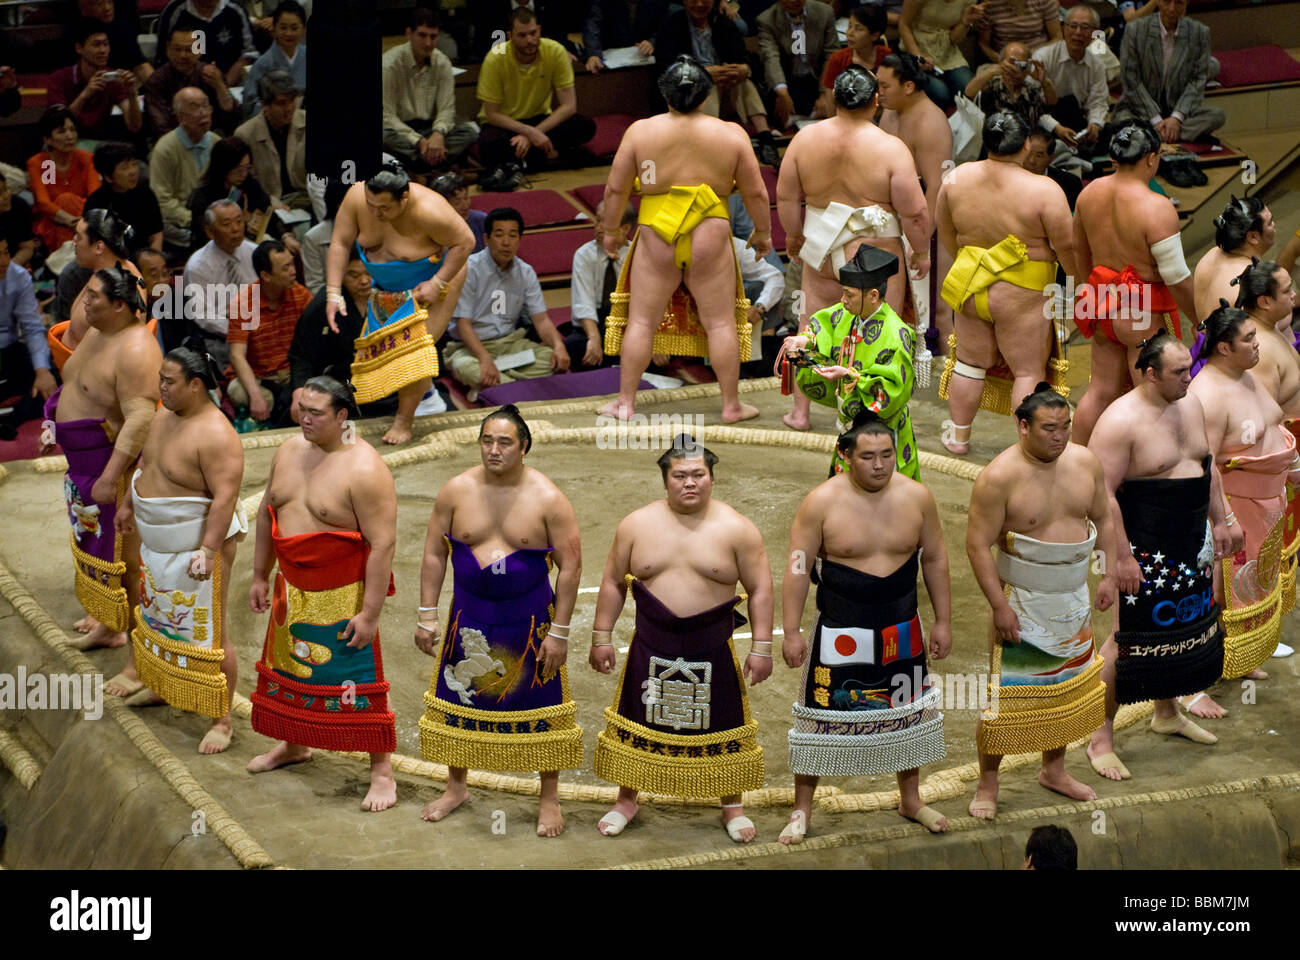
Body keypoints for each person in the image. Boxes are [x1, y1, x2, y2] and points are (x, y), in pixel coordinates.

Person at [780, 412, 952, 843]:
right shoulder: (820, 502)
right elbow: (799, 568)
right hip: (841, 624)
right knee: (819, 716)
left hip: (901, 623)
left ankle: (910, 799)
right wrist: (791, 631)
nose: (879, 465)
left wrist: (944, 620)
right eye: (869, 456)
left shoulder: (917, 497)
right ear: (844, 455)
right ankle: (802, 809)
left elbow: (933, 558)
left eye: (887, 455)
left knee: (906, 712)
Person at [590, 437, 773, 841]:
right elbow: (613, 581)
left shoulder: (737, 528)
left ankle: (731, 805)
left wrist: (762, 647)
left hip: (712, 643)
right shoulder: (636, 525)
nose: (690, 483)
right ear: (665, 480)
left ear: (711, 477)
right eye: (680, 476)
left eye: (698, 475)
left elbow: (760, 588)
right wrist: (602, 635)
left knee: (724, 720)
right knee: (638, 719)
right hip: (652, 641)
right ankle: (626, 799)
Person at [414, 406, 584, 837]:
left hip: (530, 623)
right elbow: (435, 553)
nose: (494, 449)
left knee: (543, 709)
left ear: (524, 446)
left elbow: (571, 567)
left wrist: (560, 632)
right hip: (468, 617)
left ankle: (548, 796)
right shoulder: (456, 490)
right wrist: (427, 614)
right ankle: (456, 787)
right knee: (459, 701)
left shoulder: (548, 498)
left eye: (504, 442)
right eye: (487, 440)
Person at [247, 374, 399, 812]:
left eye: (316, 413)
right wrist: (260, 574)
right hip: (289, 587)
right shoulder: (288, 450)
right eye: (302, 409)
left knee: (357, 682)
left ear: (342, 416)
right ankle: (294, 744)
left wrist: (370, 613)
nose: (304, 419)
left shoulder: (366, 469)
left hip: (342, 592)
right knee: (292, 669)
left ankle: (381, 771)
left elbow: (382, 543)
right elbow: (266, 513)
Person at [1085, 332, 1231, 781]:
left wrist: (1223, 520)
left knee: (1185, 630)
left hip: (1191, 538)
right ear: (1148, 373)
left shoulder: (1191, 404)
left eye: (1188, 368)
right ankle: (1099, 736)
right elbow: (1101, 494)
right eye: (1178, 372)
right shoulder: (1119, 421)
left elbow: (1207, 466)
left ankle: (1166, 713)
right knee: (1127, 642)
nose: (1189, 378)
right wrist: (1121, 558)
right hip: (1144, 546)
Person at [965, 385, 1114, 818]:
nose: (1060, 436)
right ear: (1022, 425)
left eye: (1066, 426)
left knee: (1065, 689)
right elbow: (977, 545)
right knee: (1005, 698)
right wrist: (999, 606)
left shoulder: (1085, 463)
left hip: (1073, 594)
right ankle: (987, 783)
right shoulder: (998, 477)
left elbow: (1103, 517)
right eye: (1049, 428)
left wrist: (1105, 572)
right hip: (1021, 599)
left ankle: (1054, 770)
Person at [597, 56, 770, 423]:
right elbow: (756, 192)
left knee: (641, 321)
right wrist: (763, 231)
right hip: (711, 228)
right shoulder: (731, 134)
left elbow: (615, 189)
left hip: (657, 229)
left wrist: (611, 230)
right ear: (706, 97)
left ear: (665, 95)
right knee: (720, 323)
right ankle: (731, 405)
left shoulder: (641, 132)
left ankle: (625, 403)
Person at [116, 342, 246, 752]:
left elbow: (225, 498)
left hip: (196, 550)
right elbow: (145, 465)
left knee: (209, 633)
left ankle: (221, 719)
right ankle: (165, 686)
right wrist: (127, 503)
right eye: (160, 380)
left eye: (169, 382)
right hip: (157, 545)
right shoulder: (162, 416)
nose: (161, 388)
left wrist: (208, 551)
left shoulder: (217, 434)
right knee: (159, 622)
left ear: (195, 385)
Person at [42, 264, 161, 666]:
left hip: (112, 468)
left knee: (126, 564)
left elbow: (142, 418)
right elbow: (73, 386)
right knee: (95, 553)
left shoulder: (136, 349)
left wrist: (112, 476)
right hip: (81, 467)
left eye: (93, 296)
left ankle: (139, 661)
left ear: (121, 306)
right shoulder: (97, 331)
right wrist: (51, 421)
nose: (84, 302)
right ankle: (110, 627)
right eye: (86, 293)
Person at [936, 110, 1074, 454]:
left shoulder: (955, 178)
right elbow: (1065, 245)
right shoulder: (1044, 189)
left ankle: (958, 437)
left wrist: (974, 264)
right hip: (1022, 293)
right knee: (1027, 370)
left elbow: (947, 230)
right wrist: (1075, 280)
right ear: (1027, 144)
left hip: (970, 283)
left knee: (968, 363)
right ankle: (1027, 447)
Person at [1183, 304, 1294, 716]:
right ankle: (1191, 683)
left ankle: (1234, 655)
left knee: (1246, 587)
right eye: (1249, 338)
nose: (1257, 343)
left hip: (1266, 501)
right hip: (1233, 505)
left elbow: (1274, 425)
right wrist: (1222, 518)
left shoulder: (1246, 376)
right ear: (1225, 348)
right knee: (1212, 590)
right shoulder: (1207, 394)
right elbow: (1204, 463)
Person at [325, 165, 473, 444]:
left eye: (384, 207)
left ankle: (404, 421)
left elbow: (466, 241)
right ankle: (427, 395)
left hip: (435, 278)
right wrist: (333, 292)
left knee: (415, 346)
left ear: (404, 198)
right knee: (384, 346)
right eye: (371, 205)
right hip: (388, 284)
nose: (376, 213)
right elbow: (341, 243)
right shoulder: (357, 196)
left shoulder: (431, 211)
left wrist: (438, 283)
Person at [1070, 122, 1196, 446]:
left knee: (1099, 391)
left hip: (1099, 300)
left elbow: (1078, 251)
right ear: (1152, 158)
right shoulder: (1156, 206)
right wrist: (1200, 318)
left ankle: (1077, 457)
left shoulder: (1088, 194)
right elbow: (1177, 277)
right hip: (1139, 311)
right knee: (1149, 394)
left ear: (1114, 159)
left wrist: (1090, 292)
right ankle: (1145, 464)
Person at [783, 246, 922, 478]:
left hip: (882, 431)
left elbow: (894, 390)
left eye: (849, 294)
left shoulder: (896, 334)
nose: (842, 300)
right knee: (846, 490)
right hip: (849, 425)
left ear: (873, 295)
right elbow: (825, 325)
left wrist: (848, 376)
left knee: (883, 490)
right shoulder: (849, 313)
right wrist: (803, 339)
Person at [1234, 260, 1300, 660]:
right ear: (1263, 300)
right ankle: (1255, 630)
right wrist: (1286, 466)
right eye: (1287, 290)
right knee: (1265, 540)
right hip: (1273, 457)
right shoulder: (1257, 348)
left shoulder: (1273, 331)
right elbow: (1258, 418)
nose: (1294, 295)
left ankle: (1268, 619)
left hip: (1290, 444)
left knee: (1283, 540)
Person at [876, 52, 956, 352]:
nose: (879, 92)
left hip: (931, 219)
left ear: (908, 86)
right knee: (892, 306)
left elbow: (937, 186)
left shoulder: (931, 122)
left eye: (885, 86)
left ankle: (949, 386)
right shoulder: (889, 111)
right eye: (877, 85)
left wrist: (921, 240)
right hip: (893, 216)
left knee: (938, 310)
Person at [444, 207, 570, 394]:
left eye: (512, 235)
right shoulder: (469, 269)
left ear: (520, 239)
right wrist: (485, 358)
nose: (506, 242)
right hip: (471, 348)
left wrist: (559, 346)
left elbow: (541, 320)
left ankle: (500, 385)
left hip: (511, 344)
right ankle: (512, 383)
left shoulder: (525, 272)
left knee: (550, 359)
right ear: (487, 239)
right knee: (467, 367)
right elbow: (464, 325)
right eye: (499, 235)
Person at [475, 8, 597, 185]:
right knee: (488, 145)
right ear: (510, 36)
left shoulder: (556, 51)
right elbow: (492, 114)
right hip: (506, 124)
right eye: (522, 35)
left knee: (585, 126)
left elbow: (569, 106)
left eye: (533, 33)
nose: (530, 40)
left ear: (539, 30)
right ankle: (549, 152)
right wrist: (529, 133)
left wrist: (534, 133)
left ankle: (525, 156)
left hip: (540, 121)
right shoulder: (496, 57)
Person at [651, 0, 780, 167]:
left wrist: (742, 69)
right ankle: (709, 143)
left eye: (705, 0)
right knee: (705, 83)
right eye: (694, 0)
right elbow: (665, 69)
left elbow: (745, 58)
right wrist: (702, 73)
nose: (699, 4)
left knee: (744, 81)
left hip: (725, 88)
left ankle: (766, 139)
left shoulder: (723, 23)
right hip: (688, 94)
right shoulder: (672, 25)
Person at [382, 8, 480, 173]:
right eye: (422, 35)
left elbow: (446, 109)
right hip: (401, 131)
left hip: (430, 129)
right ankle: (441, 164)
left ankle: (417, 168)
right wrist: (418, 141)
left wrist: (438, 135)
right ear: (408, 34)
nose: (428, 43)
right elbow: (387, 116)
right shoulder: (389, 65)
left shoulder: (442, 63)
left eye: (433, 36)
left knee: (470, 131)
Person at [1113, 0, 1224, 144]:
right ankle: (1168, 133)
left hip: (1175, 108)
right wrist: (1156, 119)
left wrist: (1176, 118)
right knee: (1122, 120)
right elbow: (1131, 81)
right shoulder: (1135, 30)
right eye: (1167, 2)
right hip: (1141, 110)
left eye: (1178, 3)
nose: (1172, 9)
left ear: (1186, 3)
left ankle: (1154, 135)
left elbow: (1197, 81)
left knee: (1217, 115)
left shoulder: (1199, 32)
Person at [227, 238, 310, 425]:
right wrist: (255, 396)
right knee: (239, 392)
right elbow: (236, 356)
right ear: (265, 275)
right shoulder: (244, 303)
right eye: (285, 268)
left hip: (292, 373)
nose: (293, 272)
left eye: (292, 264)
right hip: (260, 377)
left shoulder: (301, 295)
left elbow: (312, 346)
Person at [289, 248, 370, 418]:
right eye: (354, 276)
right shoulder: (324, 304)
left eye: (368, 273)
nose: (364, 281)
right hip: (337, 384)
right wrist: (300, 389)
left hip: (383, 380)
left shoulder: (387, 295)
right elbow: (302, 353)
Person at [56, 209, 142, 362]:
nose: (73, 242)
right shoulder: (104, 273)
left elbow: (120, 352)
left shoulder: (119, 287)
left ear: (99, 247)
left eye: (79, 237)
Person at [182, 199, 258, 366]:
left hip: (259, 329)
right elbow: (203, 316)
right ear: (210, 232)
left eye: (239, 221)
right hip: (222, 338)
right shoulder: (198, 266)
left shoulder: (253, 252)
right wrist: (242, 331)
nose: (236, 229)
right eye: (226, 224)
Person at [49, 20, 143, 141]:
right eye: (96, 45)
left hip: (100, 144)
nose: (103, 50)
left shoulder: (112, 78)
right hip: (67, 143)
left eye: (106, 44)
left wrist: (132, 93)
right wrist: (85, 94)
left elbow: (134, 126)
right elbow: (58, 125)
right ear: (79, 48)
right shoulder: (58, 78)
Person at [568, 201, 635, 371]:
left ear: (625, 228)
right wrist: (594, 338)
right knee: (575, 347)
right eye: (597, 221)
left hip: (629, 324)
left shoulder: (639, 254)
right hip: (595, 323)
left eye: (606, 223)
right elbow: (584, 304)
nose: (598, 228)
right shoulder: (584, 255)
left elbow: (647, 303)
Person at [0, 237, 57, 434]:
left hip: (9, 350)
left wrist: (42, 371)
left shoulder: (19, 276)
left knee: (52, 374)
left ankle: (13, 418)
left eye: (6, 253)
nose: (3, 261)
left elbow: (32, 328)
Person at [1032, 5, 1108, 153]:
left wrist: (1095, 124)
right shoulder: (1043, 58)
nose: (1078, 33)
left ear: (1094, 33)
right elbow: (1033, 106)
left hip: (1077, 119)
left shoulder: (1096, 65)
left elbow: (1098, 101)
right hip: (1046, 121)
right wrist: (1056, 128)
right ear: (1063, 28)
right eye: (1073, 26)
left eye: (1085, 27)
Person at [149, 87, 218, 249]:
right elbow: (162, 201)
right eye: (195, 107)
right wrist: (196, 220)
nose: (203, 112)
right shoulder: (165, 149)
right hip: (182, 220)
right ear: (180, 117)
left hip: (215, 217)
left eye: (206, 106)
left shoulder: (217, 143)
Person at [144, 25, 241, 138]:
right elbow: (160, 126)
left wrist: (219, 86)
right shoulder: (157, 81)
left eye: (189, 49)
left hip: (212, 138)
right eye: (177, 49)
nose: (183, 55)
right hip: (174, 142)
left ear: (199, 50)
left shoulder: (211, 75)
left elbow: (232, 114)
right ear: (168, 49)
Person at [757, 0, 841, 129]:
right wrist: (782, 93)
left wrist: (825, 92)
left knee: (833, 106)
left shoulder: (824, 12)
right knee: (780, 114)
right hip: (787, 80)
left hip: (817, 78)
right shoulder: (766, 19)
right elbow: (771, 58)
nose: (792, 1)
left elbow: (832, 53)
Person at [27, 107, 100, 254]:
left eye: (72, 130)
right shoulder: (42, 163)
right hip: (52, 221)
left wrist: (80, 221)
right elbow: (44, 203)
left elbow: (95, 196)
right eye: (62, 131)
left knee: (67, 202)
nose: (70, 136)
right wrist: (72, 221)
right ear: (47, 139)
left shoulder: (86, 159)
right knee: (64, 201)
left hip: (85, 218)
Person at [234, 71, 310, 212]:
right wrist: (272, 203)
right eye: (281, 103)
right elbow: (248, 182)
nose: (288, 108)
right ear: (264, 105)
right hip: (269, 204)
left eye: (292, 100)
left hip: (309, 198)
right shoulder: (245, 135)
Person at [1193, 196, 1276, 323]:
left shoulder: (1210, 255)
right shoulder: (1250, 279)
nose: (1274, 225)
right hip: (1237, 341)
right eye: (1270, 222)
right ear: (1253, 237)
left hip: (1206, 340)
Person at [185, 136, 271, 256]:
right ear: (224, 168)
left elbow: (266, 211)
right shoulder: (203, 196)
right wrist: (242, 225)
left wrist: (285, 236)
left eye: (247, 168)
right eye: (239, 170)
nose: (244, 174)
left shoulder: (250, 185)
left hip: (249, 245)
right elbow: (205, 236)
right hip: (216, 251)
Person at [898, 0, 982, 110]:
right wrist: (918, 57)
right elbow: (903, 24)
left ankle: (960, 124)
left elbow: (954, 39)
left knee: (969, 89)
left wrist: (966, 21)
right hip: (916, 48)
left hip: (946, 51)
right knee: (941, 94)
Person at [154, 0, 259, 87]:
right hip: (183, 86)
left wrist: (222, 86)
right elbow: (164, 56)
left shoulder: (236, 10)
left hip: (230, 84)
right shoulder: (174, 11)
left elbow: (247, 55)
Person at [965, 42, 1055, 142]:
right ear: (1001, 61)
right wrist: (993, 71)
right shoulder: (992, 84)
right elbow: (969, 93)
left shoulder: (1032, 88)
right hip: (996, 141)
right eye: (1012, 62)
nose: (1015, 70)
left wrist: (1045, 81)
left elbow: (1051, 104)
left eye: (1021, 65)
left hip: (1026, 143)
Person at [85, 141, 163, 253]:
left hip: (143, 258)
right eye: (125, 168)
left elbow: (156, 235)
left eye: (134, 164)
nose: (133, 172)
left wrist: (153, 261)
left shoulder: (146, 193)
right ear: (108, 177)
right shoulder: (96, 203)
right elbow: (95, 247)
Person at [817, 4, 891, 119]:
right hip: (846, 119)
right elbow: (831, 101)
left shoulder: (887, 57)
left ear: (875, 35)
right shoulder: (838, 59)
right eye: (849, 26)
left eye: (858, 28)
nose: (849, 33)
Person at [241, 0, 306, 117]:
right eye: (283, 27)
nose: (289, 33)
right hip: (273, 122)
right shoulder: (263, 63)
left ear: (303, 29)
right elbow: (249, 104)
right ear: (274, 29)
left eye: (294, 28)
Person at [74, 0, 152, 82]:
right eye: (99, 4)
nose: (107, 8)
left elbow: (140, 66)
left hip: (119, 86)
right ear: (83, 9)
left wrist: (158, 88)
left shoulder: (122, 28)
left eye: (110, 1)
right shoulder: (74, 35)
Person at [977, 0, 1060, 60]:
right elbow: (983, 43)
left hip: (1039, 56)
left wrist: (1037, 56)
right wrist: (1001, 60)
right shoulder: (990, 4)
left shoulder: (1046, 1)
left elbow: (1057, 37)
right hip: (1005, 59)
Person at [1022, 128, 1081, 210]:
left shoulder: (1070, 184)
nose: (1031, 161)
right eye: (1027, 154)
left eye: (1039, 156)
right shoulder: (1009, 181)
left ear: (1051, 158)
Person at [430, 174, 486, 253]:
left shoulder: (481, 220)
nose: (465, 205)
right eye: (457, 203)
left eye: (466, 198)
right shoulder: (432, 229)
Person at [0, 180, 36, 270]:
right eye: (0, 193)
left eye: (6, 189)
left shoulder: (19, 205)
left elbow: (27, 247)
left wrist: (11, 267)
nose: (6, 195)